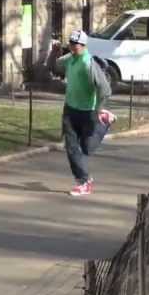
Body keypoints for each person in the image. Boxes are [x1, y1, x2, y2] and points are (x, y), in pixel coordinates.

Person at [48, 29, 115, 196]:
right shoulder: (70, 59)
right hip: (70, 110)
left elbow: (105, 89)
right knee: (71, 147)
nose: (73, 47)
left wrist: (99, 108)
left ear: (84, 45)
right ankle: (83, 181)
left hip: (88, 111)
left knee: (87, 147)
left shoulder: (89, 63)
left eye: (76, 44)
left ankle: (104, 122)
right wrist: (54, 53)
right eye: (71, 44)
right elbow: (54, 67)